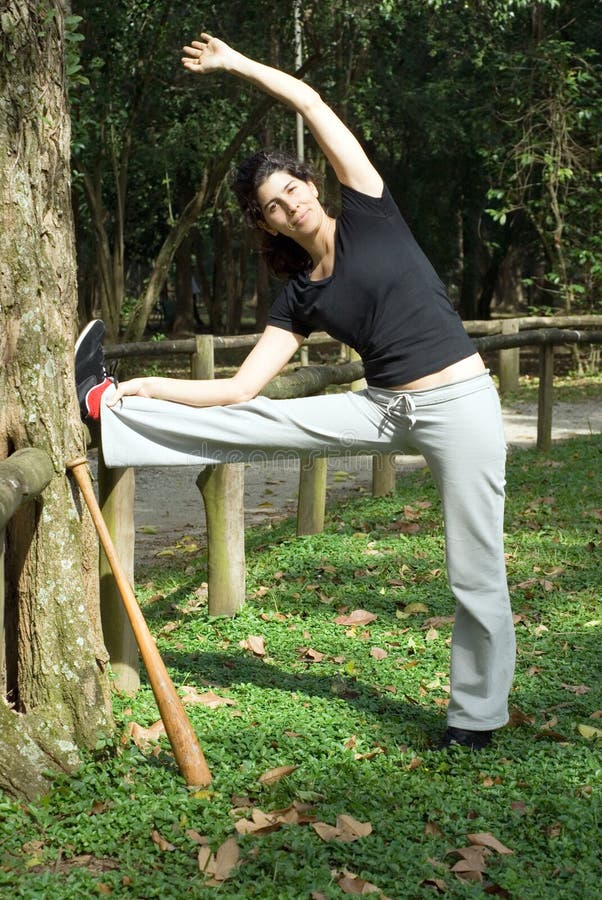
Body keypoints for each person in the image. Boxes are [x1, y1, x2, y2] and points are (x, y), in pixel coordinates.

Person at [75, 33, 515, 750]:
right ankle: (112, 411)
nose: (289, 204)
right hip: (381, 407)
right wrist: (147, 383)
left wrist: (236, 65)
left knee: (476, 568)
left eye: (293, 188)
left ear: (312, 187)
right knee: (255, 420)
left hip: (459, 404)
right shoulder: (298, 296)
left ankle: (476, 718)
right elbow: (240, 388)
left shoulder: (371, 208)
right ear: (267, 222)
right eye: (272, 204)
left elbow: (309, 101)